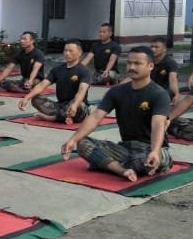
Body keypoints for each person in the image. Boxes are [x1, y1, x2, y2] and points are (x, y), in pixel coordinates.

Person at [61, 47, 173, 182]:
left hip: (150, 149)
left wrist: (155, 151)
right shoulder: (117, 92)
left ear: (150, 66)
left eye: (137, 64)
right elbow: (96, 116)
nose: (132, 67)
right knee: (82, 144)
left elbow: (158, 124)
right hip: (126, 147)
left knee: (147, 161)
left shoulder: (159, 94)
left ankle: (104, 163)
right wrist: (73, 140)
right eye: (129, 63)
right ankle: (122, 170)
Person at [18, 39, 91, 123]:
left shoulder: (84, 71)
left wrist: (74, 105)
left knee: (79, 106)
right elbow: (42, 85)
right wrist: (26, 98)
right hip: (60, 106)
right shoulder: (57, 69)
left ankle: (53, 118)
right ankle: (62, 116)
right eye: (65, 50)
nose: (67, 53)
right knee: (36, 99)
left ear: (79, 53)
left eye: (71, 51)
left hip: (77, 105)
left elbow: (82, 91)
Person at [140, 37, 180, 101]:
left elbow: (173, 79)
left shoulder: (171, 62)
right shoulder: (148, 61)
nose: (153, 49)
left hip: (164, 91)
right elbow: (135, 75)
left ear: (164, 49)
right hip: (150, 89)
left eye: (156, 47)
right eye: (151, 47)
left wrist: (177, 94)